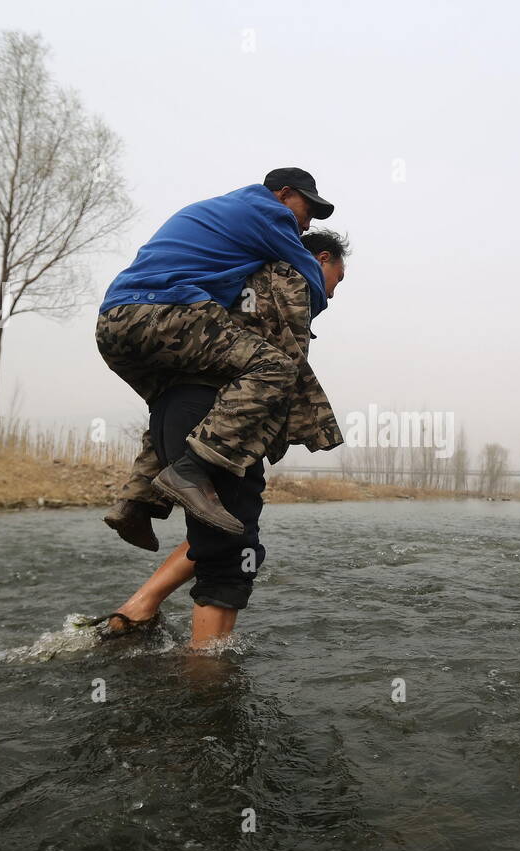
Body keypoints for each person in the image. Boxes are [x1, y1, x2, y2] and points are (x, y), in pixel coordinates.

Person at [92, 230, 349, 647]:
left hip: (175, 412)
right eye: (338, 278)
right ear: (321, 259)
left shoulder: (229, 279)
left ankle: (137, 609)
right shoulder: (288, 275)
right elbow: (285, 362)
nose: (333, 294)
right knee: (231, 551)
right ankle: (206, 681)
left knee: (219, 526)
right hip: (215, 419)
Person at [95, 168, 335, 543]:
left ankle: (134, 502)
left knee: (173, 396)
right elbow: (306, 276)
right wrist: (318, 297)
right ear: (284, 194)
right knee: (273, 366)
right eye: (308, 210)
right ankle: (190, 471)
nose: (305, 225)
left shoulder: (224, 213)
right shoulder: (266, 211)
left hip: (116, 324)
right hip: (161, 311)